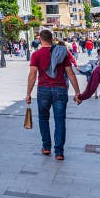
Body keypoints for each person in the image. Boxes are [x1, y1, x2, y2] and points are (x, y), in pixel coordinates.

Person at [26, 29, 81, 160]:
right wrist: (77, 92)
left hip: (43, 89)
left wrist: (28, 93)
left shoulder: (36, 55)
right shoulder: (63, 53)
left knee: (43, 118)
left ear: (40, 40)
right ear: (52, 39)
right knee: (60, 120)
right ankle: (59, 152)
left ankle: (46, 147)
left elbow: (32, 76)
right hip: (60, 89)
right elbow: (70, 74)